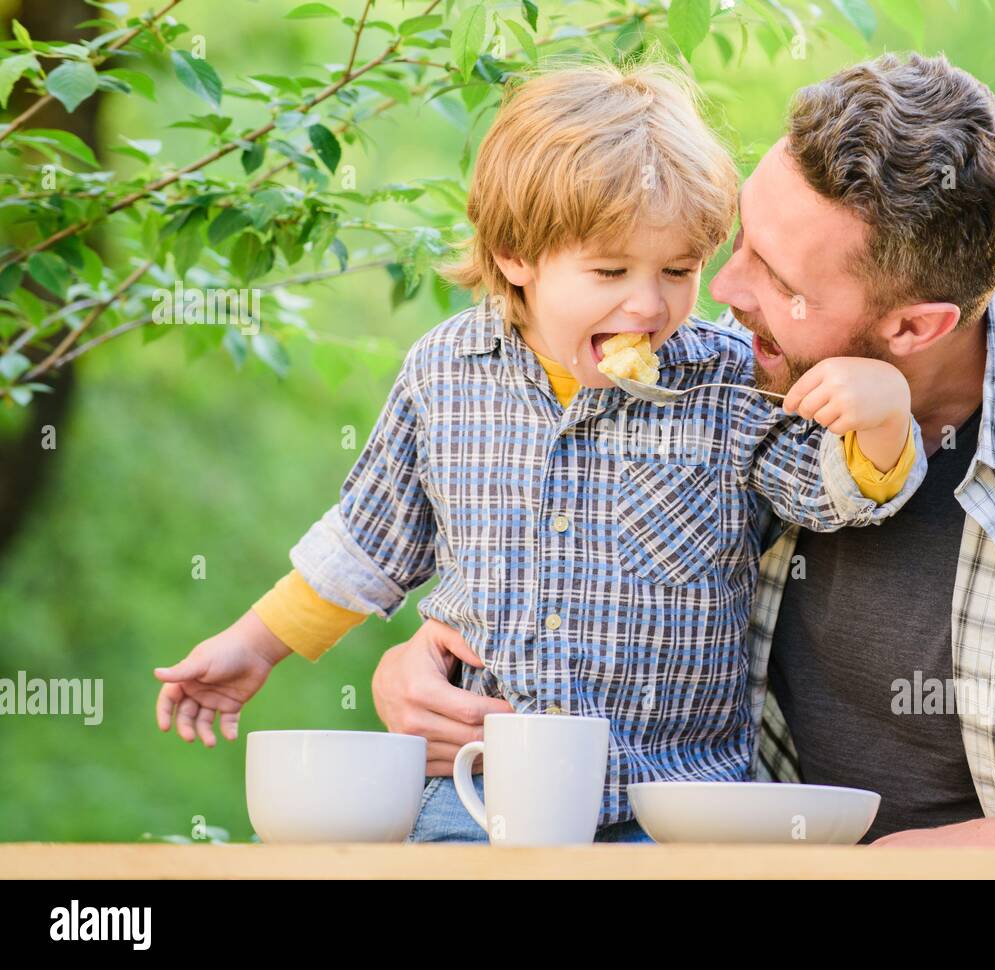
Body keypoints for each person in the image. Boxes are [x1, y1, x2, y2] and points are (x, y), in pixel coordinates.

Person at [369, 53, 995, 877]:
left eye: (778, 279)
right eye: (733, 245)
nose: (721, 294)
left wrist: (886, 871)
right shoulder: (727, 389)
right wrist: (436, 665)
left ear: (913, 328)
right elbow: (573, 553)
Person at [152, 59, 927, 843]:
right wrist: (252, 646)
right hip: (481, 787)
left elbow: (833, 495)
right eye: (610, 271)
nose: (650, 304)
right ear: (518, 255)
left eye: (679, 270)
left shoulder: (722, 383)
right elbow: (366, 542)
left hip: (672, 803)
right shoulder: (445, 373)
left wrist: (885, 419)